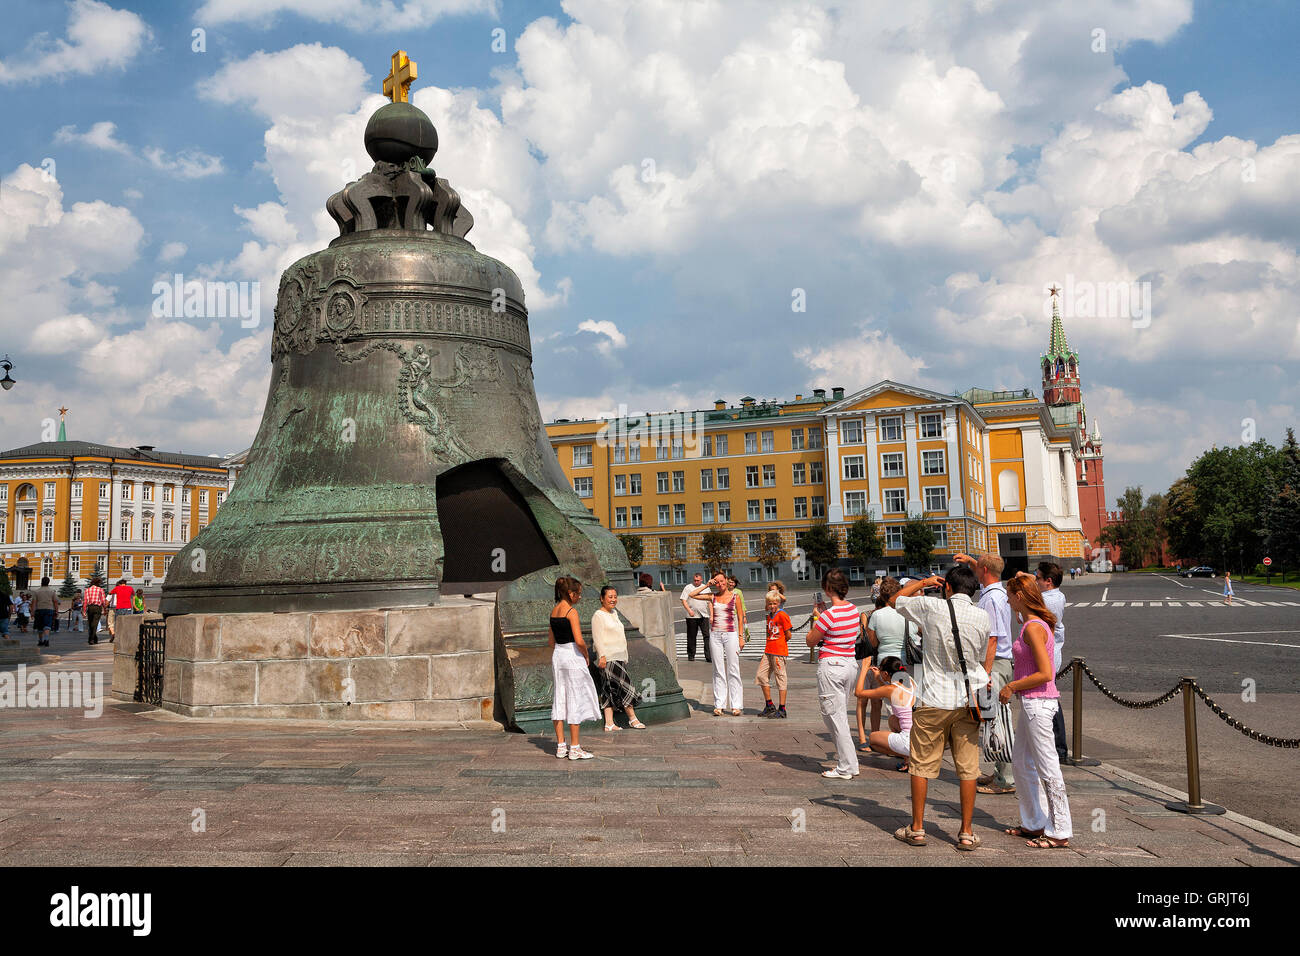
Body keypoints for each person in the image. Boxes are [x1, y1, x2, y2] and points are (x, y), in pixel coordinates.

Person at [892, 566, 992, 850]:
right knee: (968, 767)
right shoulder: (982, 616)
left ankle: (918, 828)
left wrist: (923, 582)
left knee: (921, 764)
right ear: (972, 590)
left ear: (946, 586)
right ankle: (966, 832)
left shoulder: (931, 606)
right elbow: (980, 655)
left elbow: (896, 600)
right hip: (967, 700)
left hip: (933, 697)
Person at [1002, 572, 1073, 848]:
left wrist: (1012, 685)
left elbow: (1045, 672)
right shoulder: (1033, 622)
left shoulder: (1033, 627)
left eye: (1010, 597)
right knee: (1021, 763)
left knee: (1048, 767)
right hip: (1033, 702)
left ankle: (1059, 831)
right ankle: (1034, 822)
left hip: (1038, 702)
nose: (1007, 602)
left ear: (1019, 597)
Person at [955, 552, 1015, 795]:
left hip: (995, 662)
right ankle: (1001, 772)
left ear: (984, 571)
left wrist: (985, 672)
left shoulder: (991, 599)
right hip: (1001, 661)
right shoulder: (997, 592)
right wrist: (971, 560)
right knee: (994, 717)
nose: (975, 571)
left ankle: (1006, 779)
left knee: (997, 719)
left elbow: (993, 637)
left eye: (977, 567)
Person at [806, 568, 861, 779]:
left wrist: (818, 617)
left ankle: (846, 767)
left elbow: (811, 640)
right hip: (849, 664)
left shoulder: (828, 616)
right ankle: (850, 763)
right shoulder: (853, 610)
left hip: (831, 666)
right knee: (840, 716)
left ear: (828, 589)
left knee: (835, 719)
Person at [549, 576, 601, 760]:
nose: (580, 597)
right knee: (575, 698)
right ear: (570, 594)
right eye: (578, 593)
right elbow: (579, 640)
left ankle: (561, 746)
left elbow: (550, 641)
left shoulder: (554, 611)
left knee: (560, 697)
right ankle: (575, 747)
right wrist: (586, 654)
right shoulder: (571, 612)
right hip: (571, 655)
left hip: (558, 655)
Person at [591, 585, 646, 732]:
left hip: (619, 657)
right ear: (602, 599)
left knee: (608, 690)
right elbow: (597, 638)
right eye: (610, 597)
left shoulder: (614, 613)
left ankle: (609, 723)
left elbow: (620, 637)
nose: (613, 599)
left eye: (615, 597)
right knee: (626, 688)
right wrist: (602, 656)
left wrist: (625, 655)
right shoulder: (598, 615)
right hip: (608, 658)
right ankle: (633, 719)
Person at [689, 572, 745, 715]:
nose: (720, 584)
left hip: (731, 634)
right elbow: (692, 595)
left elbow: (740, 617)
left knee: (733, 668)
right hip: (715, 635)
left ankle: (736, 705)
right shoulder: (712, 596)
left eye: (722, 581)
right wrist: (707, 585)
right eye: (717, 582)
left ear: (726, 580)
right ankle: (719, 704)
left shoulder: (735, 597)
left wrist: (741, 637)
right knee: (718, 670)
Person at [858, 577, 905, 745]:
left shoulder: (877, 615)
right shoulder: (905, 612)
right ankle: (904, 740)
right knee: (903, 705)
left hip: (885, 663)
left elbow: (873, 642)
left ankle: (899, 743)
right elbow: (915, 636)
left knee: (890, 705)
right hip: (904, 662)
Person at [1035, 562, 1068, 761]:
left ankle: (1059, 748)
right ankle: (1056, 746)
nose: (1035, 580)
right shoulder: (1059, 595)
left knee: (1051, 704)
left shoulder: (1046, 601)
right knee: (1049, 701)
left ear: (1048, 581)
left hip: (1047, 658)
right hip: (1052, 656)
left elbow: (1023, 616)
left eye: (1037, 577)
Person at [855, 656, 912, 771]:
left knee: (873, 739)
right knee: (893, 719)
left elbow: (859, 692)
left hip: (908, 741)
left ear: (886, 673)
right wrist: (879, 678)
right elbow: (890, 692)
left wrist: (864, 670)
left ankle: (909, 756)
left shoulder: (890, 689)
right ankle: (908, 759)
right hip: (919, 736)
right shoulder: (909, 681)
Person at [757, 593, 792, 717]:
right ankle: (769, 704)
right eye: (770, 603)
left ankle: (782, 708)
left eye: (774, 603)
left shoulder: (782, 615)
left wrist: (780, 643)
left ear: (778, 603)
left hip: (778, 650)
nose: (772, 606)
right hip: (768, 649)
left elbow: (788, 634)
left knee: (780, 678)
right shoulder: (769, 615)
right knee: (761, 675)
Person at [680, 573, 712, 663]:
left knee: (707, 636)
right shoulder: (688, 587)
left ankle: (708, 656)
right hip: (692, 616)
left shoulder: (706, 588)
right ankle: (691, 655)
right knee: (691, 636)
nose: (696, 582)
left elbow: (710, 602)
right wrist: (689, 610)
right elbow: (683, 599)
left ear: (701, 580)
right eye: (694, 580)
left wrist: (711, 615)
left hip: (704, 615)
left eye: (698, 580)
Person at [31, 576, 58, 647]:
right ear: (48, 582)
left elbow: (33, 603)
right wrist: (56, 611)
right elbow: (55, 602)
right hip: (49, 609)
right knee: (47, 626)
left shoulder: (37, 591)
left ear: (41, 582)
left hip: (39, 610)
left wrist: (32, 612)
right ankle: (46, 640)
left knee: (40, 626)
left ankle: (40, 641)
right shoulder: (52, 591)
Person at [83, 576, 107, 646]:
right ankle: (91, 639)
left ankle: (94, 638)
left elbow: (85, 601)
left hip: (90, 607)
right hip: (97, 607)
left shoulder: (87, 590)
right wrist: (105, 609)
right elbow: (103, 601)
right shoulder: (100, 590)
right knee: (95, 624)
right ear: (98, 583)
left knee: (90, 624)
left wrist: (84, 611)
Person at [109, 578, 134, 643]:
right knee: (127, 623)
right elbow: (133, 594)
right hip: (128, 607)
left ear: (120, 584)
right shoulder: (130, 588)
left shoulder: (117, 588)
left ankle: (119, 638)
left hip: (119, 607)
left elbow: (110, 592)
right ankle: (127, 638)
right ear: (125, 583)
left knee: (119, 623)